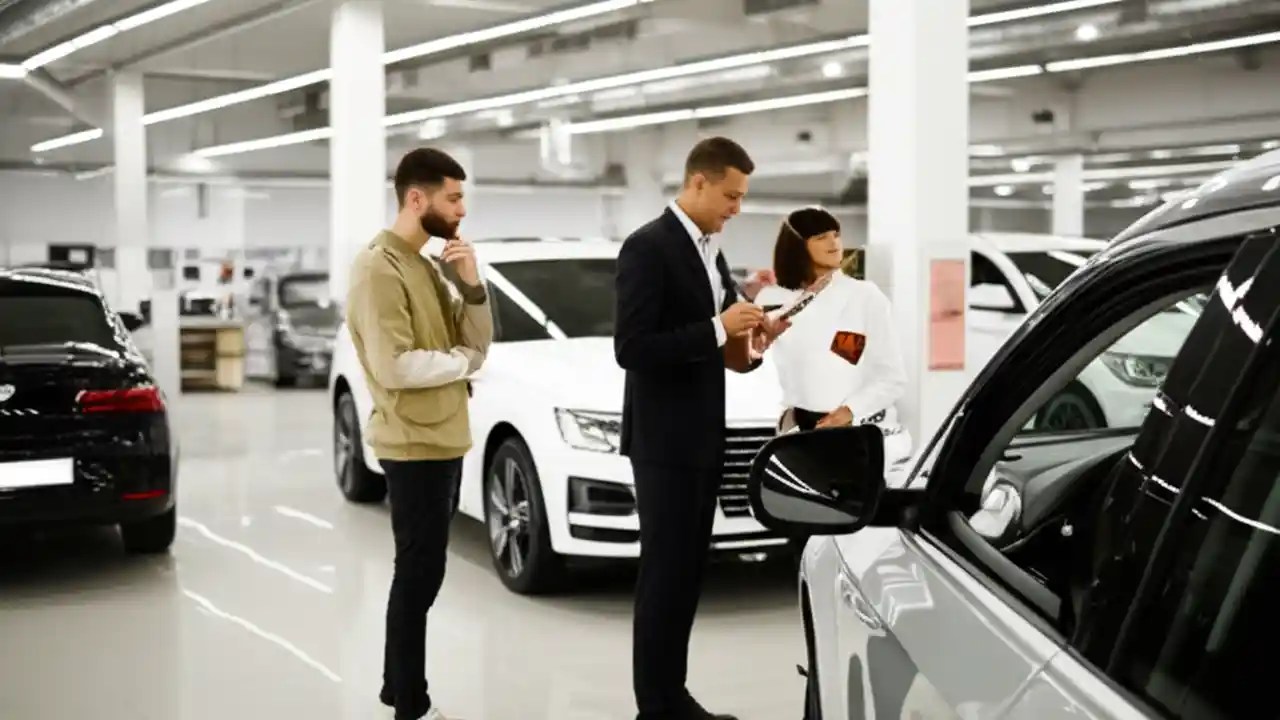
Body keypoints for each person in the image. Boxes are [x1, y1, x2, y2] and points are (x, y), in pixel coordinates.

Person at [614, 136, 786, 720]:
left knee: (687, 575)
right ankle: (655, 707)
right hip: (663, 442)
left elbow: (724, 347)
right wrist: (718, 326)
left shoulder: (709, 252)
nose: (738, 207)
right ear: (698, 183)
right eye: (731, 196)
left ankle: (673, 697)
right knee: (664, 576)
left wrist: (754, 339)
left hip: (703, 435)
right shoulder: (648, 247)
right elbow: (632, 348)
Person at [346, 147, 493, 720]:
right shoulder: (378, 267)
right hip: (412, 442)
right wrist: (461, 363)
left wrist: (472, 286)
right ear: (416, 198)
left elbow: (476, 342)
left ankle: (397, 686)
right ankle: (410, 700)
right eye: (453, 198)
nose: (461, 210)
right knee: (418, 573)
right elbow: (396, 366)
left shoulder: (426, 265)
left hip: (444, 437)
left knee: (423, 570)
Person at [767, 207, 913, 469]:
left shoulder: (865, 297)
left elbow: (892, 378)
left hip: (856, 434)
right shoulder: (782, 307)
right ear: (798, 247)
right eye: (821, 237)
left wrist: (848, 412)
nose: (834, 242)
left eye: (836, 234)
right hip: (800, 439)